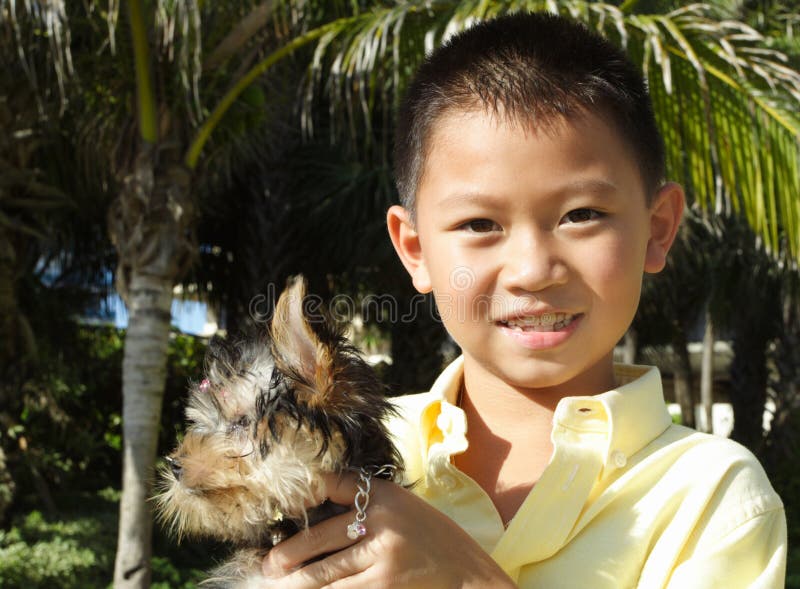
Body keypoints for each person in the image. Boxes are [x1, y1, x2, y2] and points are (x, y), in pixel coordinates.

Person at [261, 12, 787, 588]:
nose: (534, 271)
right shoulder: (337, 453)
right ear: (415, 249)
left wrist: (463, 576)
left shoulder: (711, 496)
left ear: (658, 228)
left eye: (581, 215)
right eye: (480, 223)